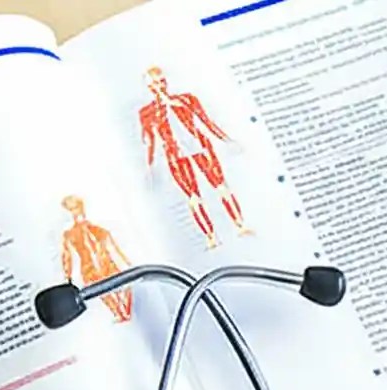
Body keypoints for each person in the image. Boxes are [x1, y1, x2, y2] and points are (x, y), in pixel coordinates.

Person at [138, 66, 252, 249]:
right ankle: (211, 236)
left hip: (199, 147)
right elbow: (150, 142)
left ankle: (240, 225)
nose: (160, 86)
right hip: (176, 156)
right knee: (193, 197)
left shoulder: (186, 99)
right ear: (149, 87)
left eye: (162, 81)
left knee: (221, 186)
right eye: (155, 83)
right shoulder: (147, 113)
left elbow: (206, 121)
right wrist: (149, 166)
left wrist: (227, 140)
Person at [60, 195, 133, 323]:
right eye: (72, 210)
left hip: (106, 262)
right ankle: (118, 314)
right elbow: (67, 256)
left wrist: (126, 261)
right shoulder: (69, 235)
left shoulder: (98, 229)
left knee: (125, 286)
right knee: (103, 292)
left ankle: (125, 312)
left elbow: (114, 246)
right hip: (89, 268)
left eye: (77, 208)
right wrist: (68, 277)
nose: (76, 212)